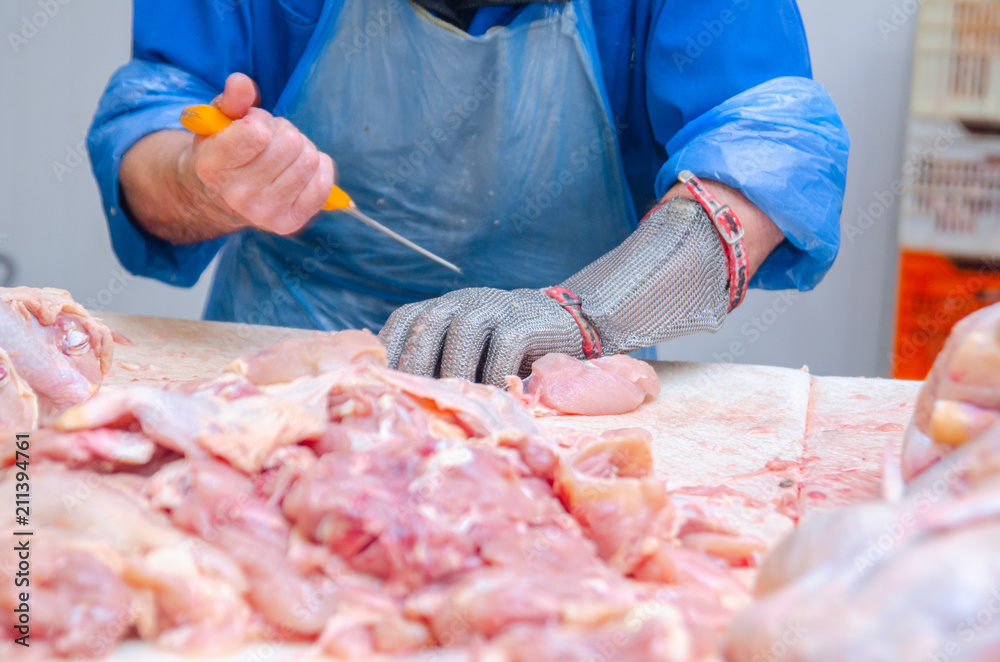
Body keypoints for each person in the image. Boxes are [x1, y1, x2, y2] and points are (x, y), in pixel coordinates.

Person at [88, 0, 849, 386]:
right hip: (290, 369)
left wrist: (585, 314)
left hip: (563, 375)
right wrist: (204, 178)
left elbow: (768, 155)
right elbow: (148, 127)